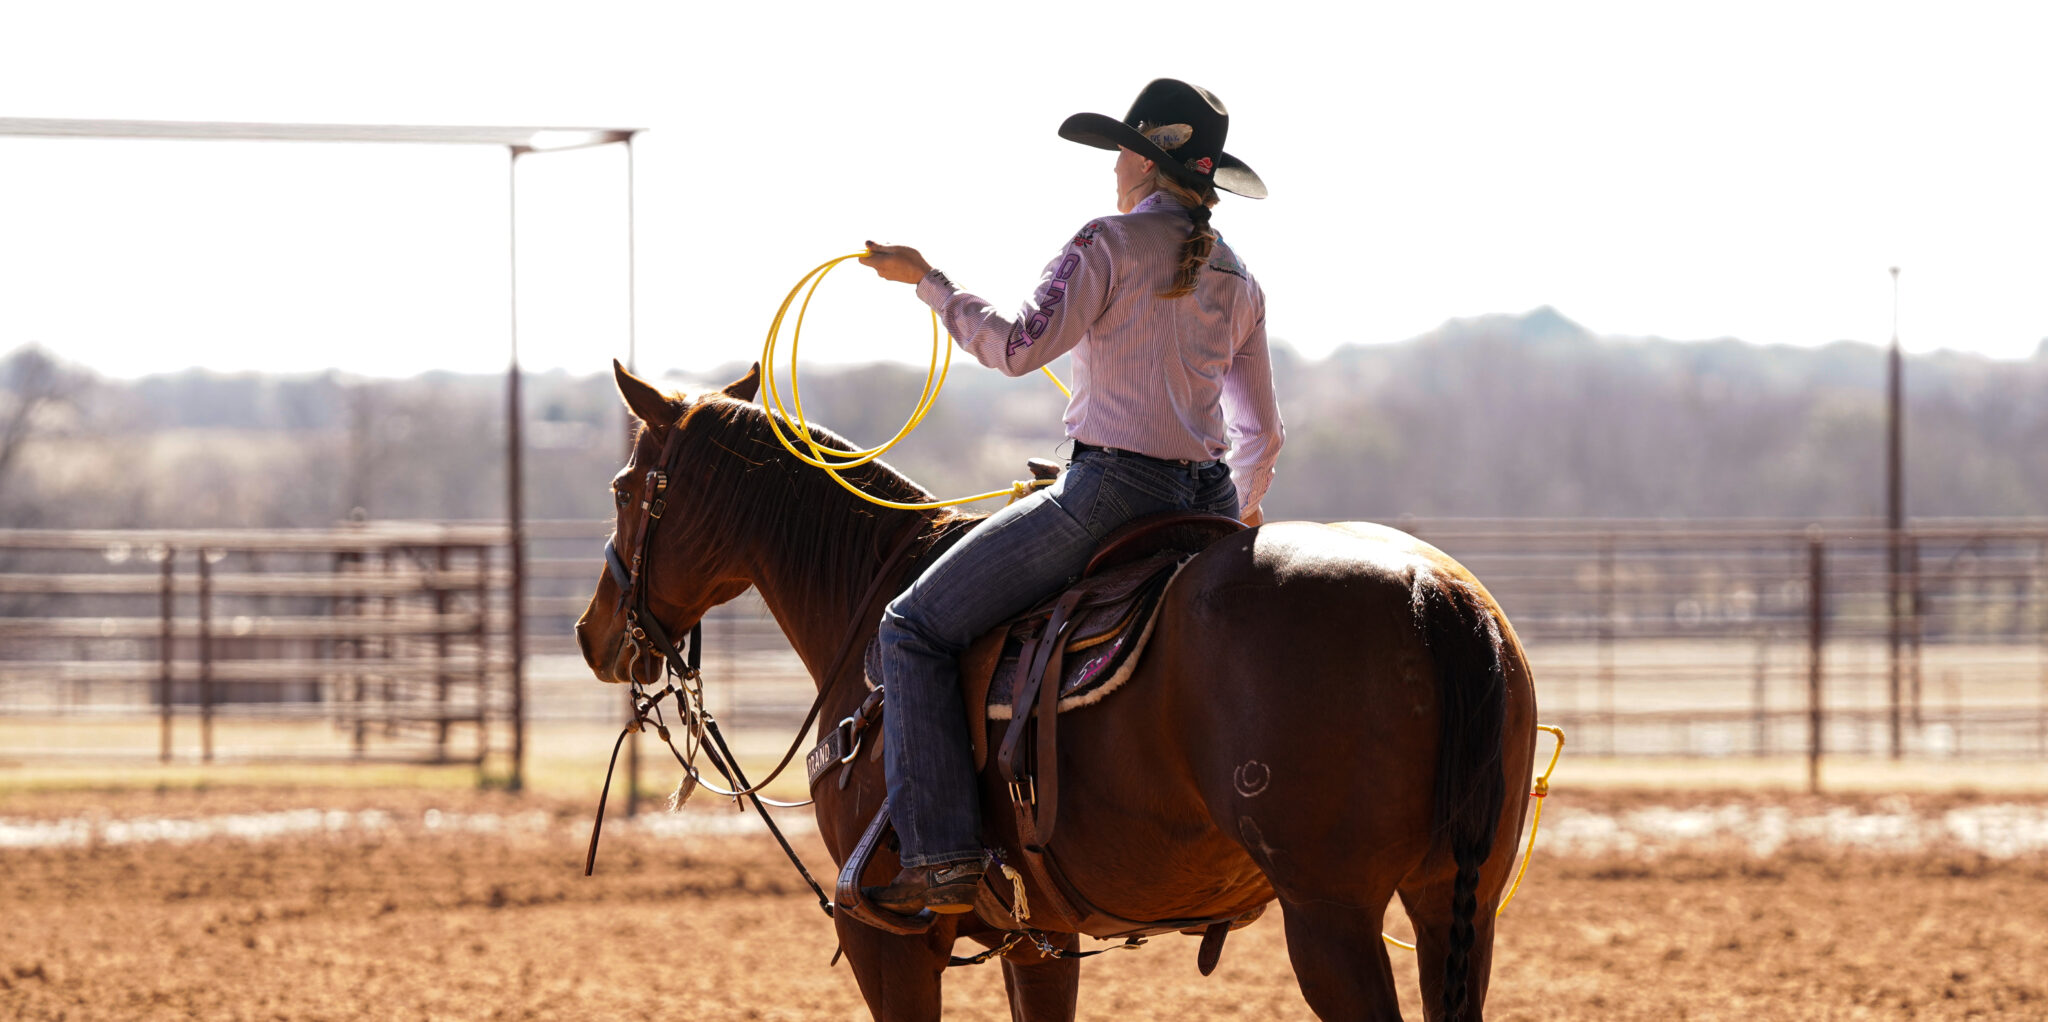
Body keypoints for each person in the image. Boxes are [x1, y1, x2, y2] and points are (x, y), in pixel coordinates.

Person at [856, 78, 1284, 915]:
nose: (1114, 161)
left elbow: (1017, 349)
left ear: (1144, 161)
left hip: (1110, 495)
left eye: (1122, 146)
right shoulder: (1239, 276)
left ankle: (943, 855)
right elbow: (1262, 435)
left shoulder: (1107, 243)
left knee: (911, 627)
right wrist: (1236, 512)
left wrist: (931, 284)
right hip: (1203, 508)